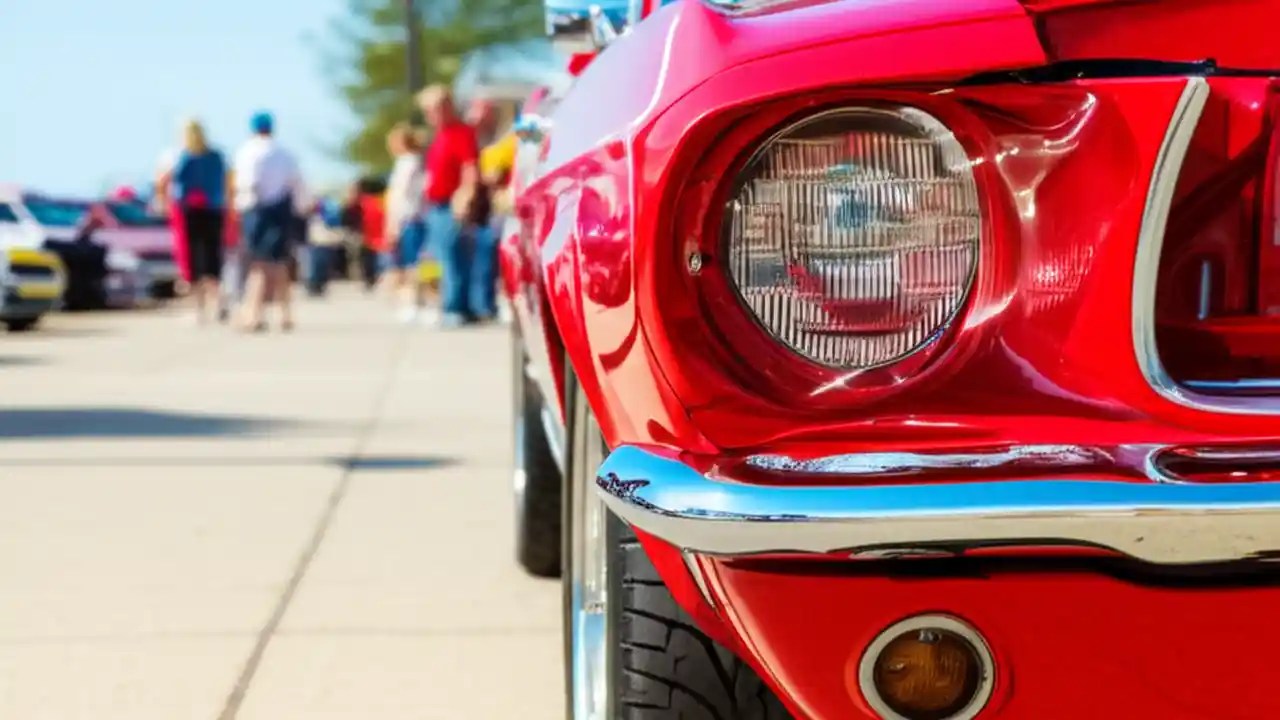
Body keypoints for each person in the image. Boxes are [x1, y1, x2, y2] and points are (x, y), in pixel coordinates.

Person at [232, 111, 304, 332]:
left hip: (257, 211)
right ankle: (285, 314)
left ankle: (254, 314)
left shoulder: (248, 151)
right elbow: (297, 183)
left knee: (258, 265)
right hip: (281, 211)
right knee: (280, 264)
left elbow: (247, 182)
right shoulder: (284, 153)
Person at [418, 84, 481, 327]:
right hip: (435, 206)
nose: (431, 115)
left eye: (434, 109)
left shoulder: (460, 133)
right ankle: (451, 305)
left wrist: (465, 195)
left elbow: (469, 167)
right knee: (440, 258)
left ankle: (455, 308)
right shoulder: (440, 136)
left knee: (452, 258)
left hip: (450, 205)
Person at [170, 119, 229, 325]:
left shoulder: (185, 157)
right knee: (212, 260)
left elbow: (177, 187)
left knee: (194, 261)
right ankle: (220, 302)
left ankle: (200, 311)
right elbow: (224, 183)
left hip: (192, 212)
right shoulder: (217, 156)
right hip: (214, 211)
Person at [383, 123, 431, 323]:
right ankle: (416, 302)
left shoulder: (407, 163)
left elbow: (399, 196)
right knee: (413, 262)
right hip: (413, 216)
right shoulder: (416, 162)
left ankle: (415, 302)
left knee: (412, 263)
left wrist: (392, 223)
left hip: (408, 217)